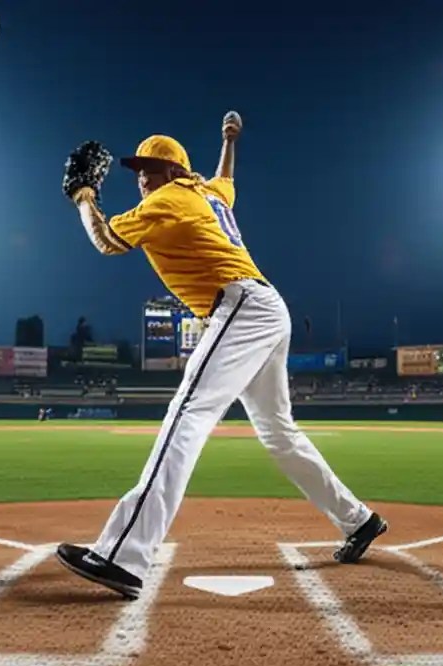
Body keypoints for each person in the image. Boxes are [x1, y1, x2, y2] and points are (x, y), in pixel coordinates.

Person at [56, 112, 384, 599]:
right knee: (278, 432)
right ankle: (359, 520)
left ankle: (122, 554)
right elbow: (227, 179)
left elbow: (105, 241)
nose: (140, 178)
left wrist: (84, 196)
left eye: (149, 168)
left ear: (172, 172)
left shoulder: (170, 199)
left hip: (239, 306)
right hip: (267, 307)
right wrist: (229, 140)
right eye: (137, 170)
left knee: (187, 415)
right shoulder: (206, 193)